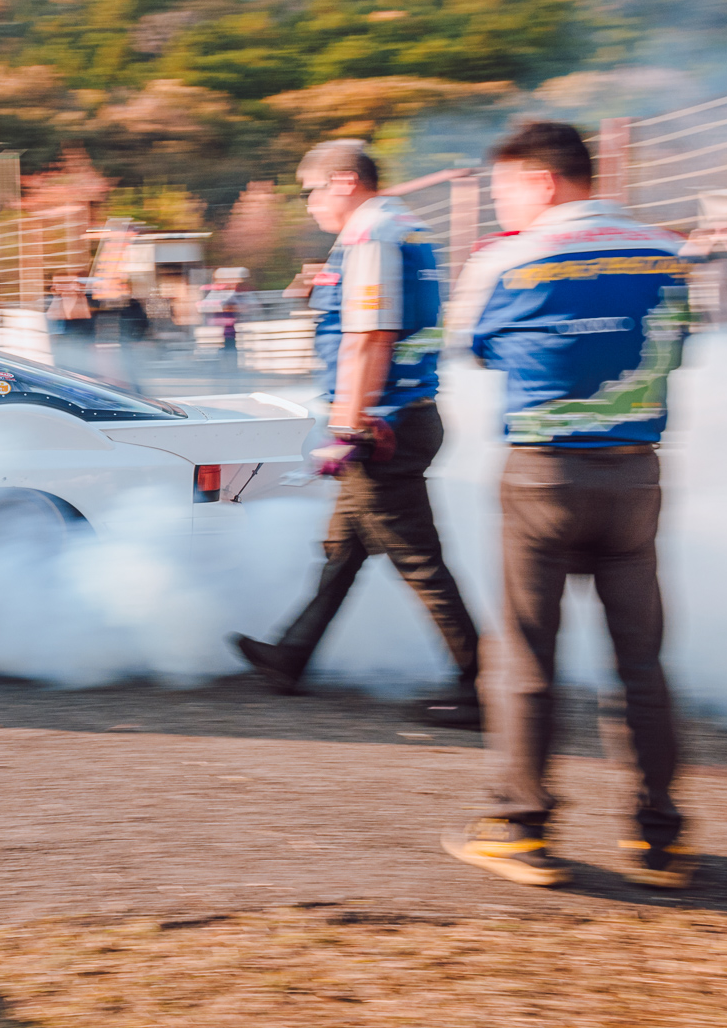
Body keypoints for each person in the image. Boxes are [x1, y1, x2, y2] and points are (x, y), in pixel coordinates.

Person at [441, 120, 695, 891]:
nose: (502, 207)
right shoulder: (666, 252)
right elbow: (676, 344)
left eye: (505, 190)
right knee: (641, 663)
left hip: (542, 475)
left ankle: (522, 828)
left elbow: (470, 346)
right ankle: (660, 838)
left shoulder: (505, 258)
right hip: (636, 478)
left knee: (522, 656)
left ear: (543, 182)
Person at [229, 139, 482, 728]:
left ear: (343, 181)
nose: (311, 204)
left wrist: (346, 426)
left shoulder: (371, 235)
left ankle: (485, 687)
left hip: (380, 424)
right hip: (400, 413)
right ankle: (290, 656)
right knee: (343, 551)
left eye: (311, 191)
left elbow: (368, 337)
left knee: (421, 563)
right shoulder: (406, 228)